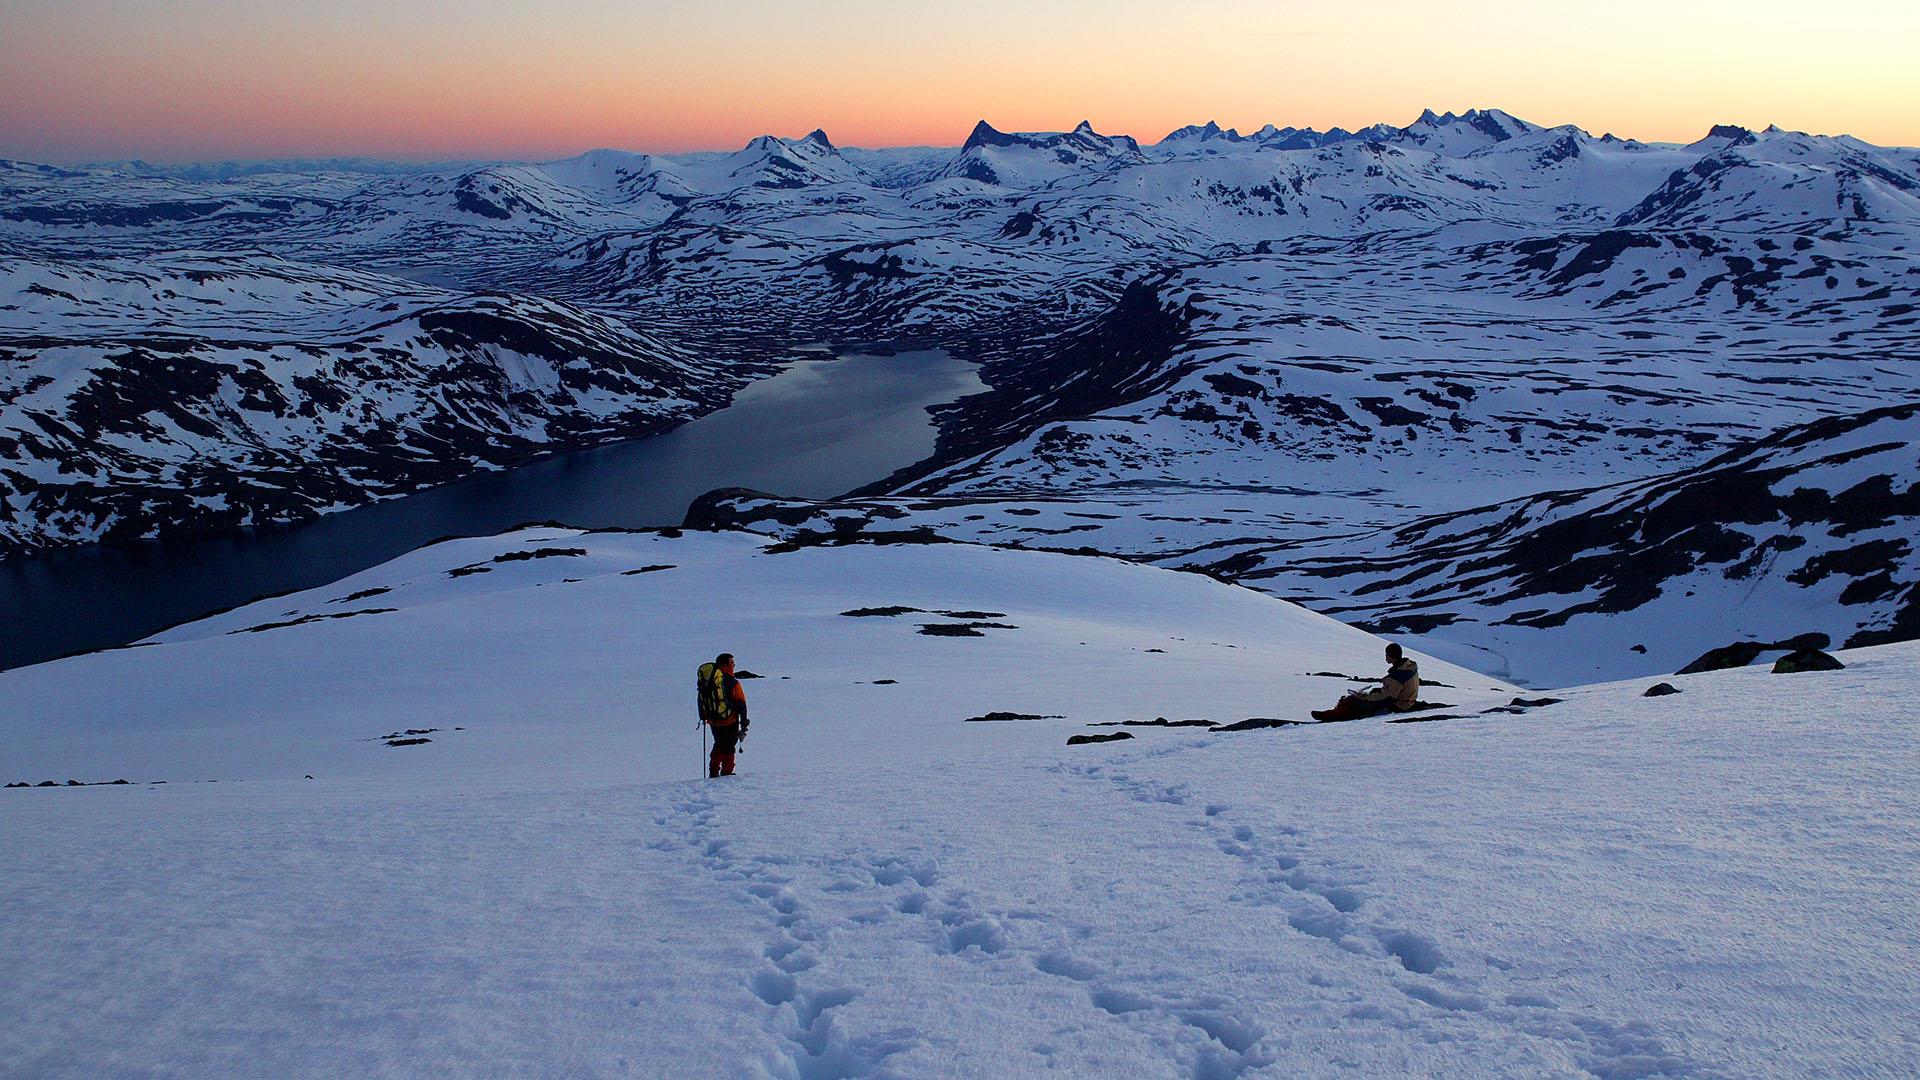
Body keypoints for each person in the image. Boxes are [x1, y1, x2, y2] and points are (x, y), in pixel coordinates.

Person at [1311, 643, 1420, 722]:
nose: (1385, 657)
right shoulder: (1408, 667)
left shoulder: (1397, 675)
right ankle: (1334, 712)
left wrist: (1363, 697)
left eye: (1386, 654)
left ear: (1390, 656)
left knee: (1354, 701)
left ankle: (1331, 715)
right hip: (1407, 701)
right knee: (1370, 693)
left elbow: (1388, 698)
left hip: (1399, 705)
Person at [702, 652, 750, 778]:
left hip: (713, 721)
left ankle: (713, 772)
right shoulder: (732, 682)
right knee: (729, 747)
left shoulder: (709, 681)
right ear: (724, 665)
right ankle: (727, 774)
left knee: (718, 744)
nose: (734, 665)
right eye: (732, 663)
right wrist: (744, 722)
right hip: (729, 720)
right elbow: (741, 703)